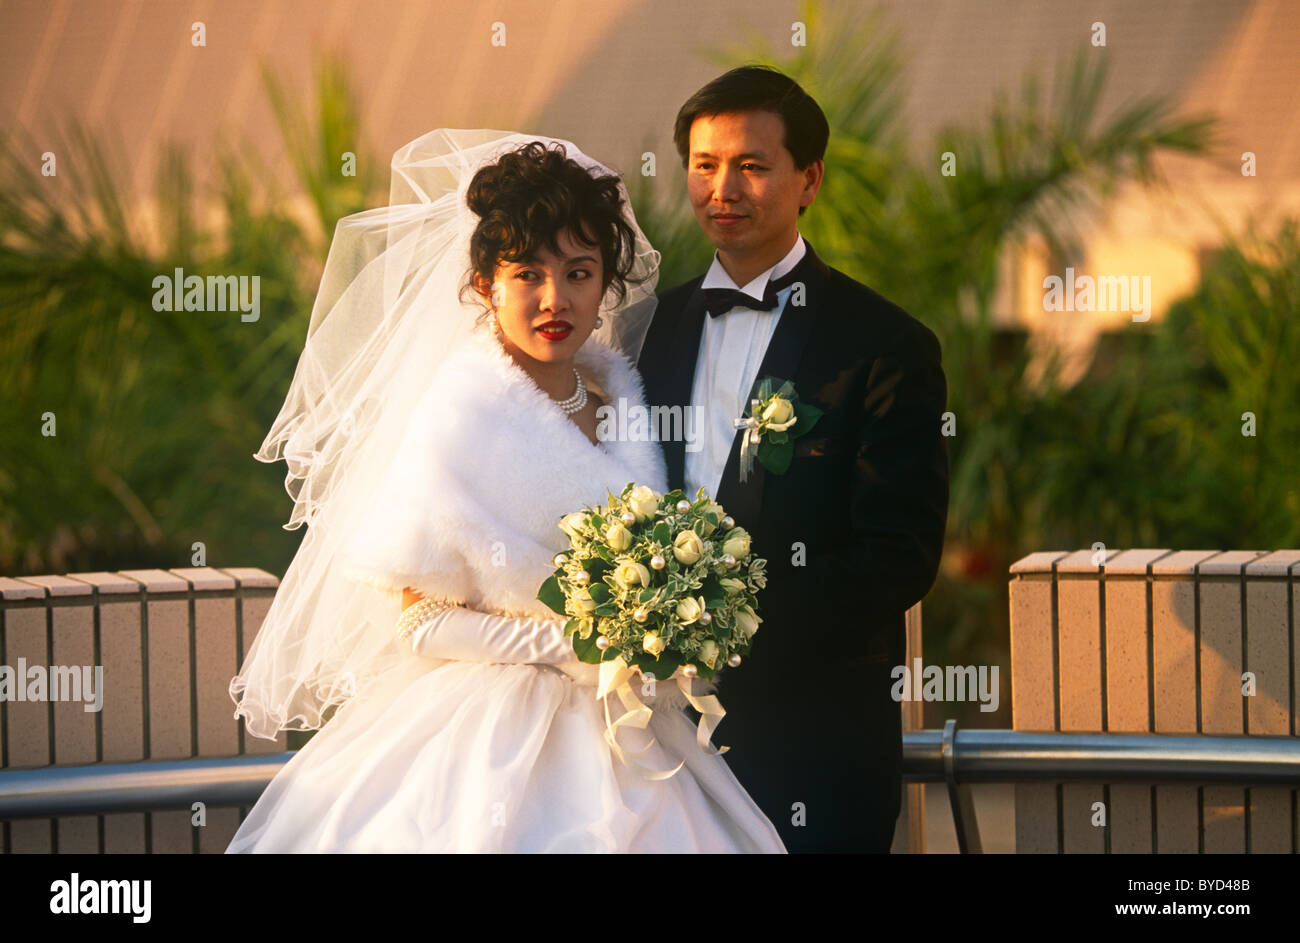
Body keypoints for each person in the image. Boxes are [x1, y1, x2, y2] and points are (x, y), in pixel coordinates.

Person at [226, 130, 786, 853]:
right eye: (529, 274)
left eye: (580, 273)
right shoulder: (461, 411)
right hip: (487, 726)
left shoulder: (622, 394)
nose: (556, 298)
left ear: (605, 282)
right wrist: (574, 643)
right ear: (487, 282)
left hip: (634, 728)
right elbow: (421, 620)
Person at [638, 66, 951, 852]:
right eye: (704, 165)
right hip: (651, 751)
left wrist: (727, 627)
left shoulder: (884, 345)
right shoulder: (643, 333)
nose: (723, 188)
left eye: (751, 164)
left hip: (813, 749)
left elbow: (899, 555)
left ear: (809, 179)